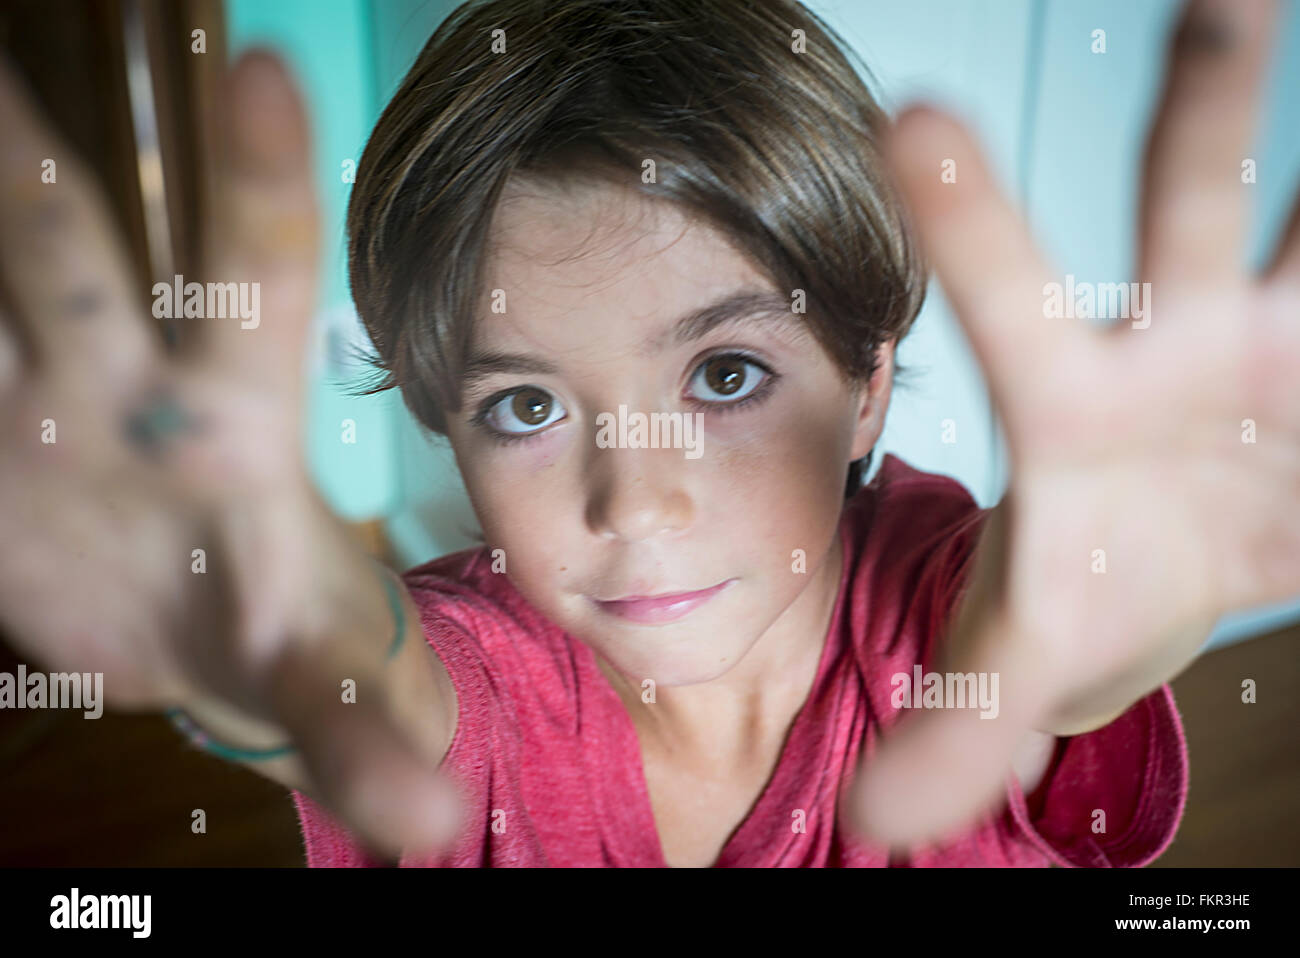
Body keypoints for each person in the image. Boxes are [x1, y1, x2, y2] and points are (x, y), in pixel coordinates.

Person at [0, 0, 1295, 867]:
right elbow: (383, 676)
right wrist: (273, 632)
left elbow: (1036, 642)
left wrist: (1119, 590)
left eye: (726, 372)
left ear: (867, 388)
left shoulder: (931, 616)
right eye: (526, 405)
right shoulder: (495, 678)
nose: (631, 502)